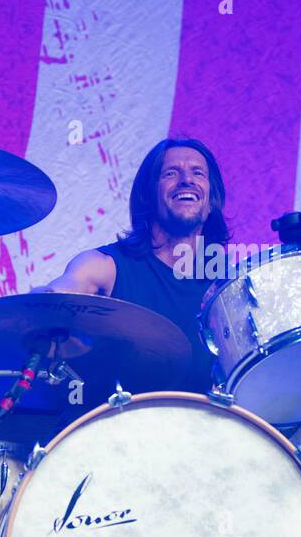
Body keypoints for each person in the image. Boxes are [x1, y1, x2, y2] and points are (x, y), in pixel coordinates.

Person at [36, 137, 229, 393]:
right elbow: (60, 294)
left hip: (195, 427)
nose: (187, 180)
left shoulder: (225, 287)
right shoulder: (104, 266)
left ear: (211, 202)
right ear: (147, 196)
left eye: (198, 173)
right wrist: (41, 304)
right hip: (108, 426)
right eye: (171, 172)